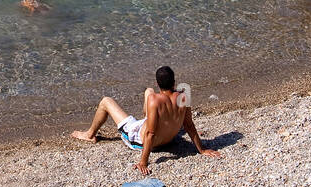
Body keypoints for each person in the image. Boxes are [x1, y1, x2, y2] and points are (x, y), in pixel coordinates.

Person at [70, 65, 221, 177]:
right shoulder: (183, 96)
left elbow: (150, 133)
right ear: (174, 82)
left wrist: (143, 161)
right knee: (148, 91)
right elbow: (188, 125)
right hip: (168, 139)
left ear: (158, 84)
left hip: (140, 139)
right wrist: (201, 149)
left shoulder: (154, 101)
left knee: (106, 101)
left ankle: (90, 135)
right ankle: (149, 117)